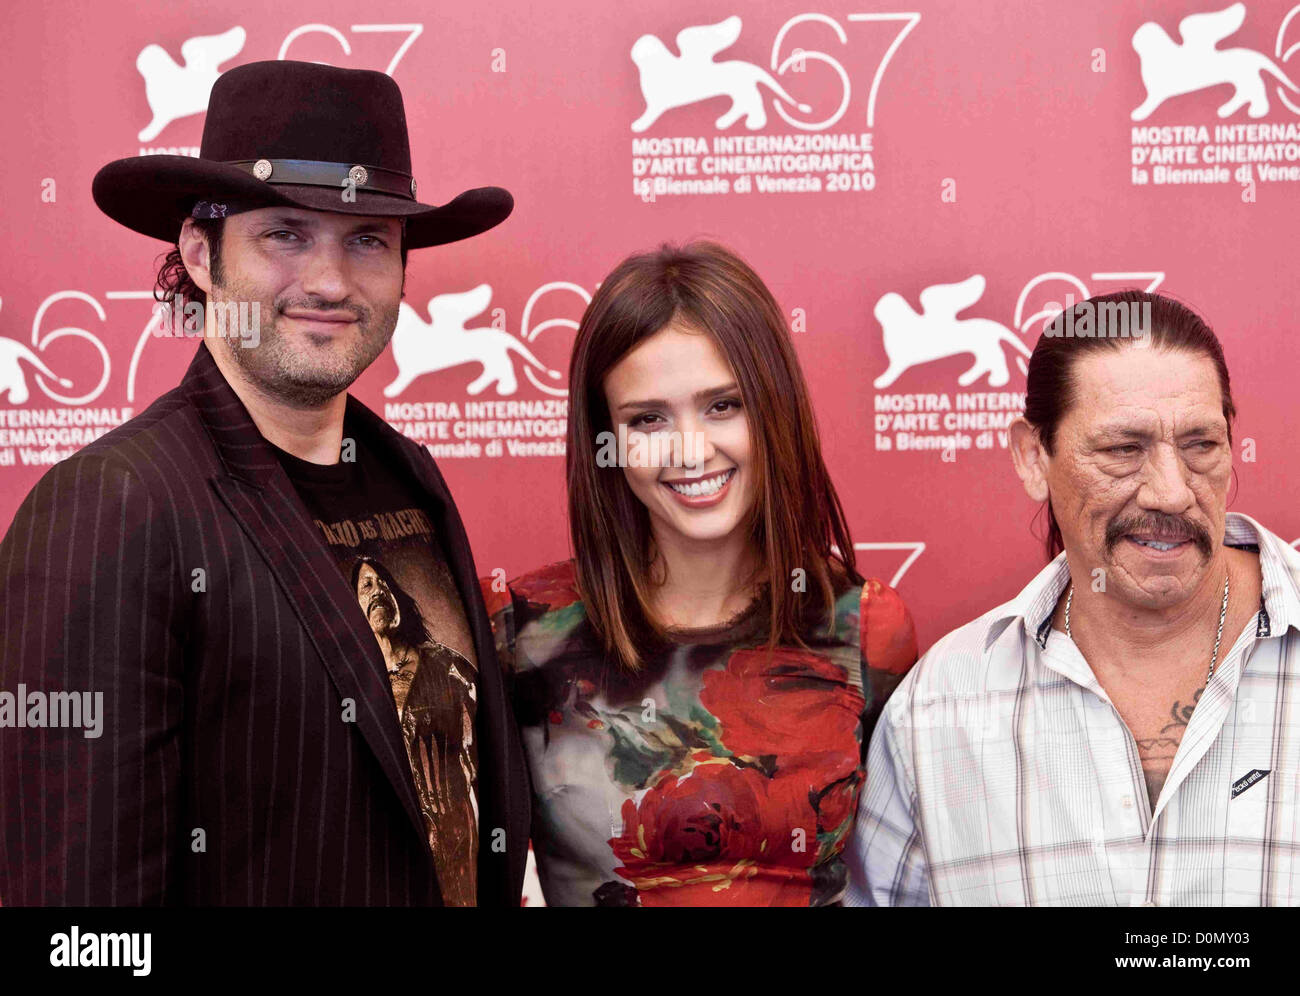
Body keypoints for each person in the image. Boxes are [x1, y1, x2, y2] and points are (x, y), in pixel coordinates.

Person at [0, 60, 528, 906]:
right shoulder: (109, 507)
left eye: (367, 241)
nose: (329, 281)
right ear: (201, 254)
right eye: (285, 234)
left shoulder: (409, 478)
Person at [480, 241, 917, 906]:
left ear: (776, 410)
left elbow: (903, 880)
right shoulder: (520, 633)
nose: (691, 450)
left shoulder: (866, 627)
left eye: (723, 406)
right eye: (647, 418)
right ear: (607, 442)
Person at [848, 291, 1300, 906]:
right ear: (1035, 457)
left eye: (1200, 446)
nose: (1171, 493)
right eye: (1122, 449)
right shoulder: (937, 711)